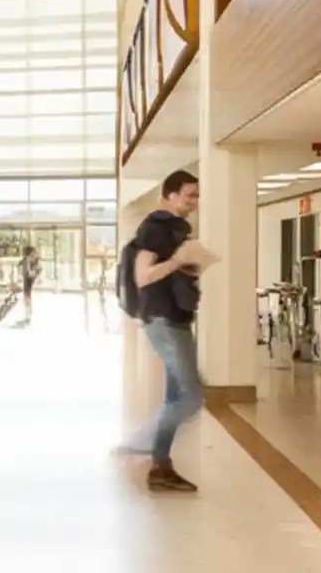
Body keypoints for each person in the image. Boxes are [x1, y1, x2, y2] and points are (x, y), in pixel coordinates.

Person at [128, 170, 210, 492]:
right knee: (190, 396)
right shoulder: (154, 228)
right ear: (170, 194)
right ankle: (141, 443)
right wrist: (178, 262)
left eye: (196, 195)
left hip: (178, 315)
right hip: (160, 317)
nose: (194, 201)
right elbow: (143, 275)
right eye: (189, 195)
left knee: (177, 396)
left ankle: (161, 466)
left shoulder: (178, 228)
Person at [18, 246, 41, 324]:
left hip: (30, 283)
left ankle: (28, 317)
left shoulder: (35, 263)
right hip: (27, 282)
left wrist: (35, 272)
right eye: (32, 255)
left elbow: (32, 273)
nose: (34, 256)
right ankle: (27, 316)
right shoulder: (26, 261)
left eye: (34, 254)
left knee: (27, 299)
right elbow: (26, 273)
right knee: (26, 299)